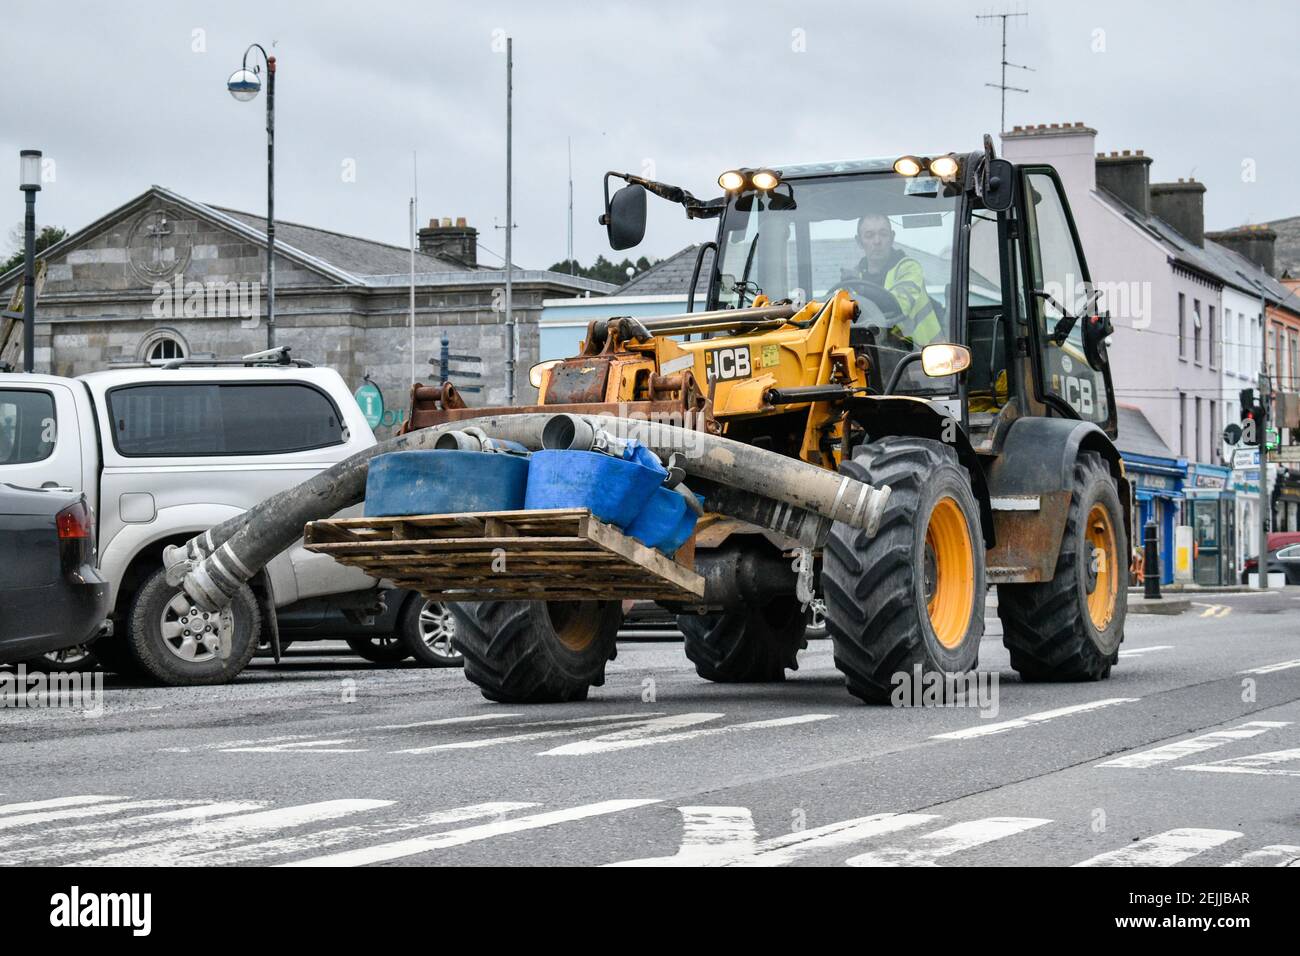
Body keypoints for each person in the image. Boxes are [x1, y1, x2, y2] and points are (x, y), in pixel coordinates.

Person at [847, 213, 942, 347]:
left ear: (892, 237)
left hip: (924, 355)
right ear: (859, 241)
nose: (877, 241)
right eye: (869, 235)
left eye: (883, 234)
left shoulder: (909, 268)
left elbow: (897, 305)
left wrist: (860, 289)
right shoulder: (853, 280)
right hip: (874, 354)